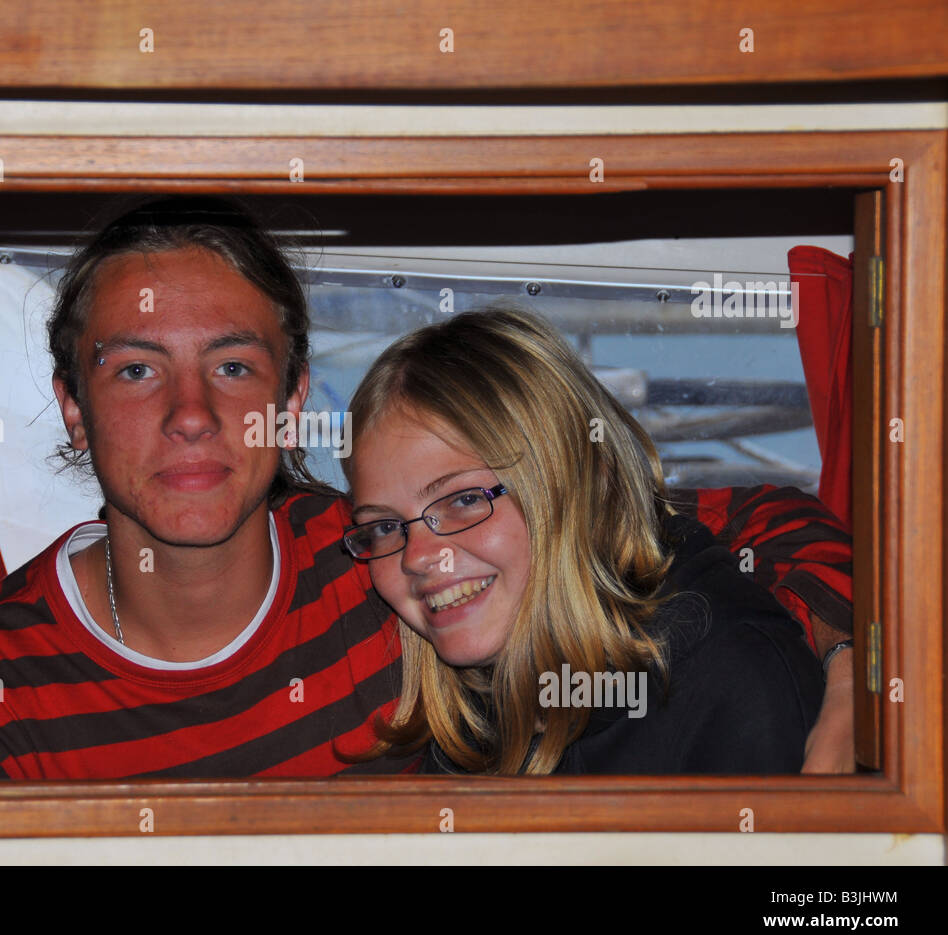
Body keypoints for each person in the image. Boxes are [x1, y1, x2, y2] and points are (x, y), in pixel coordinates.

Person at [0, 197, 854, 781]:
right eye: (137, 370)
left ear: (291, 397)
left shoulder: (382, 557)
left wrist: (847, 672)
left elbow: (728, 525)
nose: (191, 414)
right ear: (73, 407)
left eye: (233, 367)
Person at [342, 307, 828, 774]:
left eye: (464, 499)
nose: (419, 557)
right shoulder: (462, 717)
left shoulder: (736, 686)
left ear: (582, 488)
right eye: (385, 527)